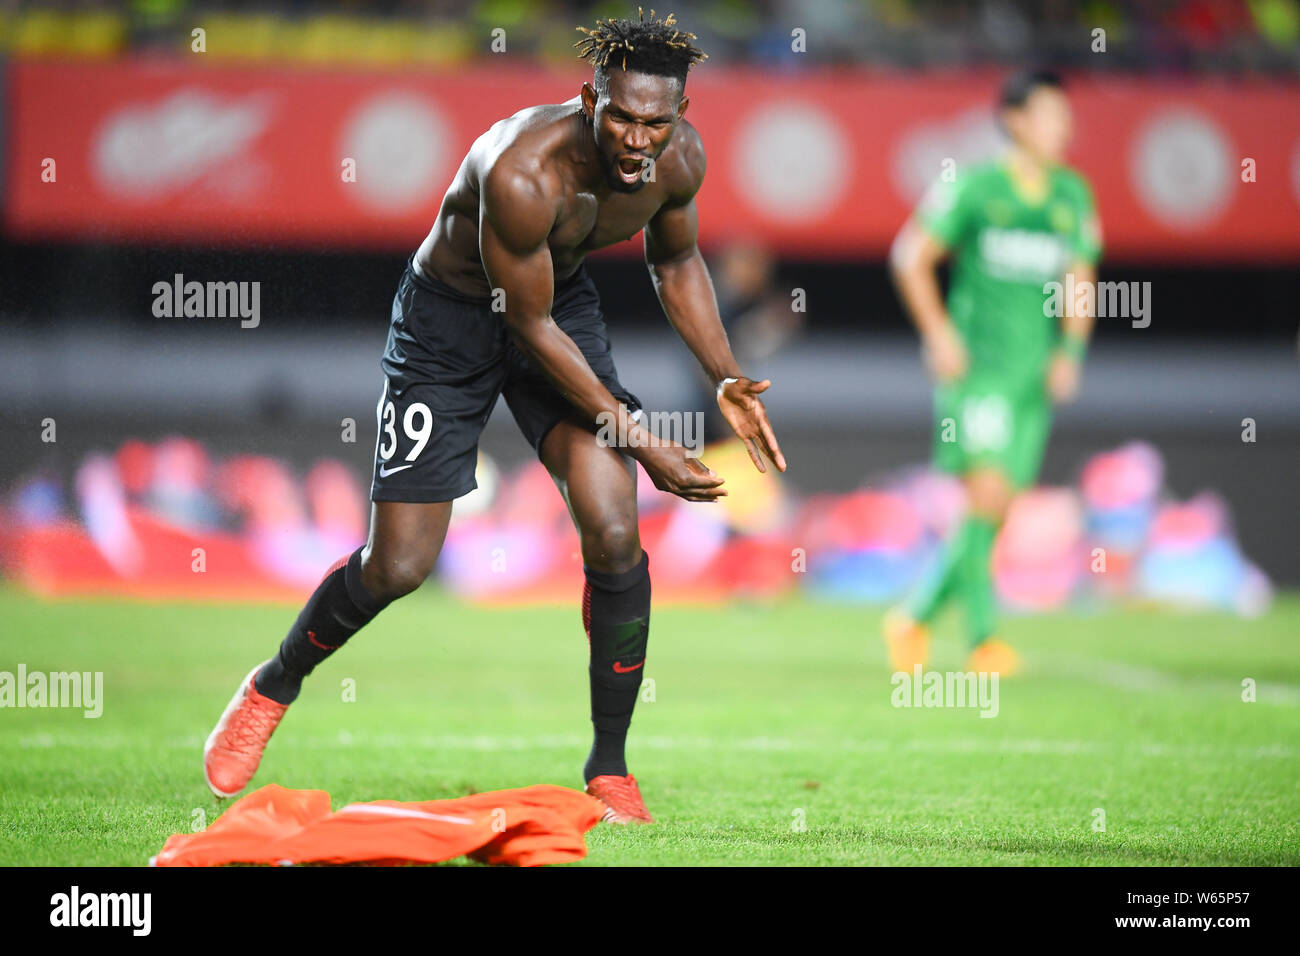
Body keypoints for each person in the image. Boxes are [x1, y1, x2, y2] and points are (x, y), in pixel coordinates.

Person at [203, 11, 785, 824]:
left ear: (680, 118)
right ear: (590, 100)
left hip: (557, 302)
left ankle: (609, 767)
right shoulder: (523, 172)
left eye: (657, 121)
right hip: (453, 324)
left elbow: (676, 258)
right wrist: (645, 438)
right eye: (622, 115)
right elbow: (526, 326)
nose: (638, 137)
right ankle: (276, 681)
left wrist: (724, 377)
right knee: (399, 566)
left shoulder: (677, 160)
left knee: (616, 525)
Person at [886, 69, 1102, 676]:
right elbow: (911, 256)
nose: (1064, 128)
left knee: (997, 510)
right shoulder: (977, 188)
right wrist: (938, 333)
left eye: (1066, 117)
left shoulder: (1072, 196)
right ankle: (984, 641)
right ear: (1015, 121)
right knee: (983, 497)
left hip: (1031, 379)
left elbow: (1078, 280)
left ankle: (914, 616)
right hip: (977, 374)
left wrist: (1071, 352)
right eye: (1052, 116)